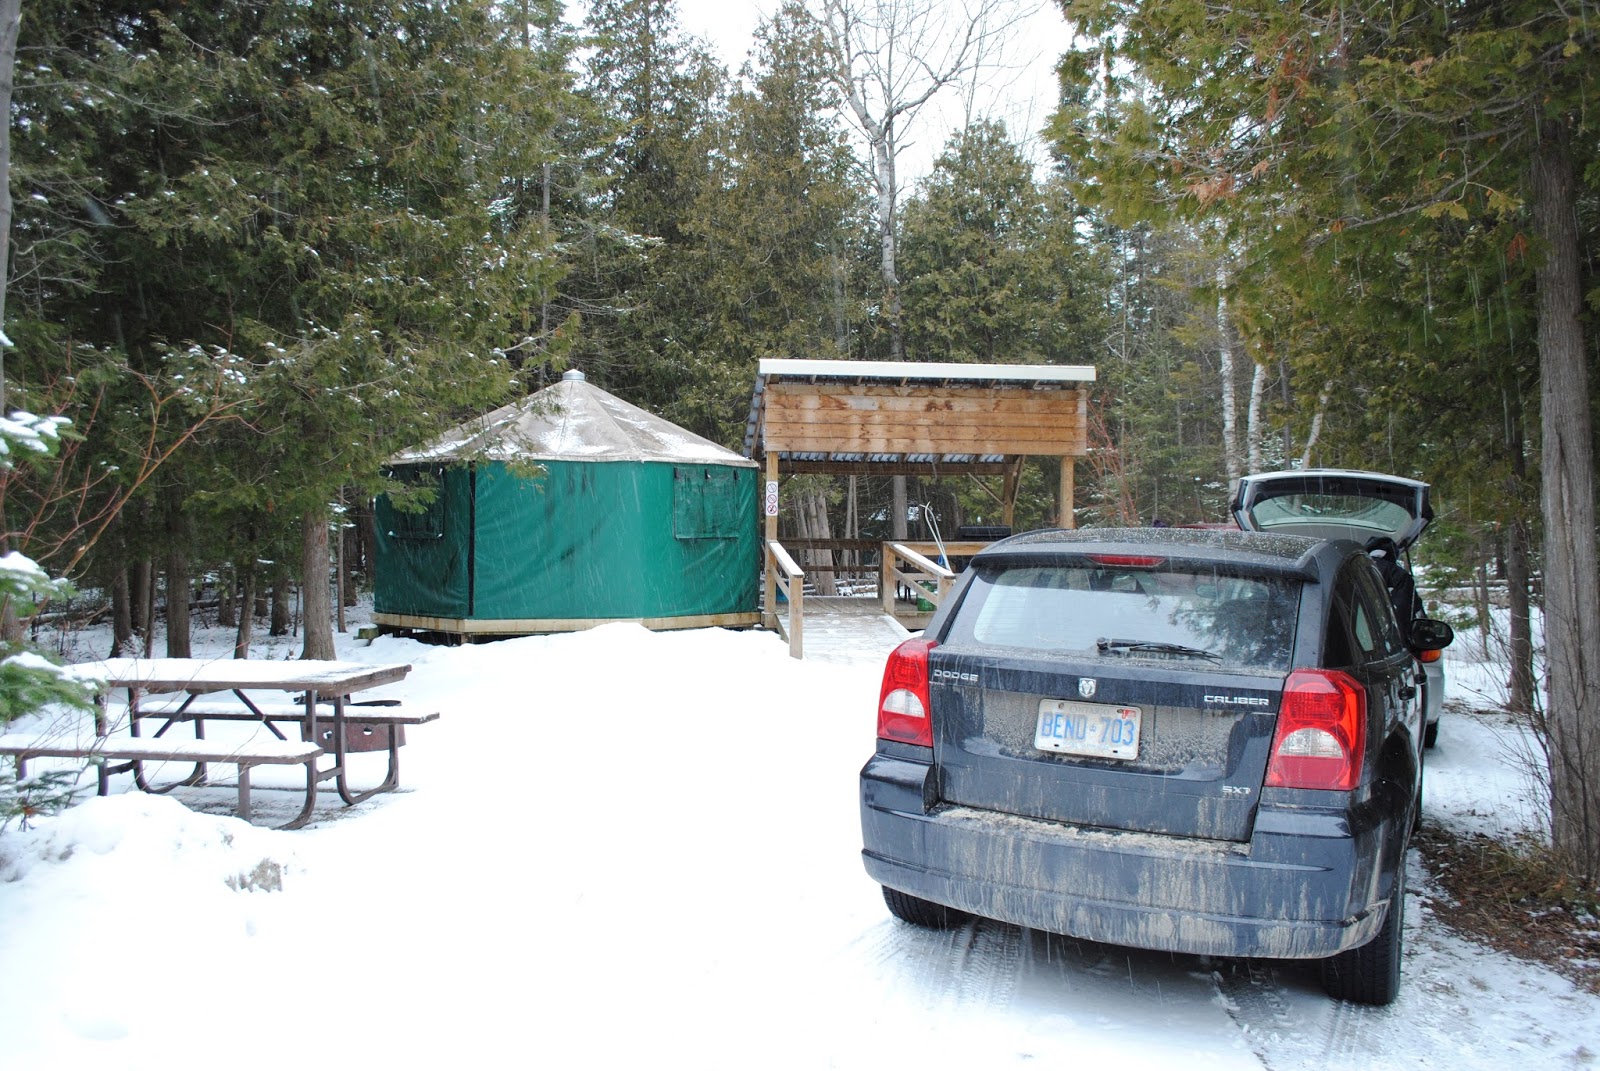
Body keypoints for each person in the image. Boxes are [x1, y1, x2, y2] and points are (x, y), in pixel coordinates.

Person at [1367, 536, 1423, 647]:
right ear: (1393, 554)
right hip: (1391, 643)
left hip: (1360, 640)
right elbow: (1410, 607)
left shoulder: (1357, 570)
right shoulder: (1398, 574)